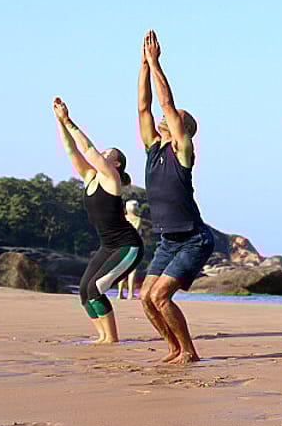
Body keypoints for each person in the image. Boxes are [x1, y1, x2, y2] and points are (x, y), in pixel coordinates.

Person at [138, 30, 215, 364]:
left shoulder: (182, 150)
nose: (166, 116)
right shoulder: (153, 148)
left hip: (194, 239)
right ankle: (174, 348)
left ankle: (190, 352)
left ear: (183, 127)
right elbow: (145, 106)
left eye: (175, 117)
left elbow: (165, 104)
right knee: (145, 299)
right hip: (168, 240)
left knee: (160, 296)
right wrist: (142, 65)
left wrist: (157, 63)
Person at [51, 97, 143, 344]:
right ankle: (102, 335)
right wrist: (59, 121)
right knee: (84, 291)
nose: (101, 154)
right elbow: (72, 149)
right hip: (108, 246)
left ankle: (111, 338)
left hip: (127, 246)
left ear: (116, 164)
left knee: (96, 288)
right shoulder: (90, 177)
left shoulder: (111, 178)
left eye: (107, 154)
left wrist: (69, 120)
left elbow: (88, 149)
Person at [116, 201, 143, 300]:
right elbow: (135, 231)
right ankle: (130, 294)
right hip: (134, 245)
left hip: (122, 245)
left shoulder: (122, 218)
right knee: (132, 270)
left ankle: (119, 293)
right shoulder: (138, 219)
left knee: (122, 269)